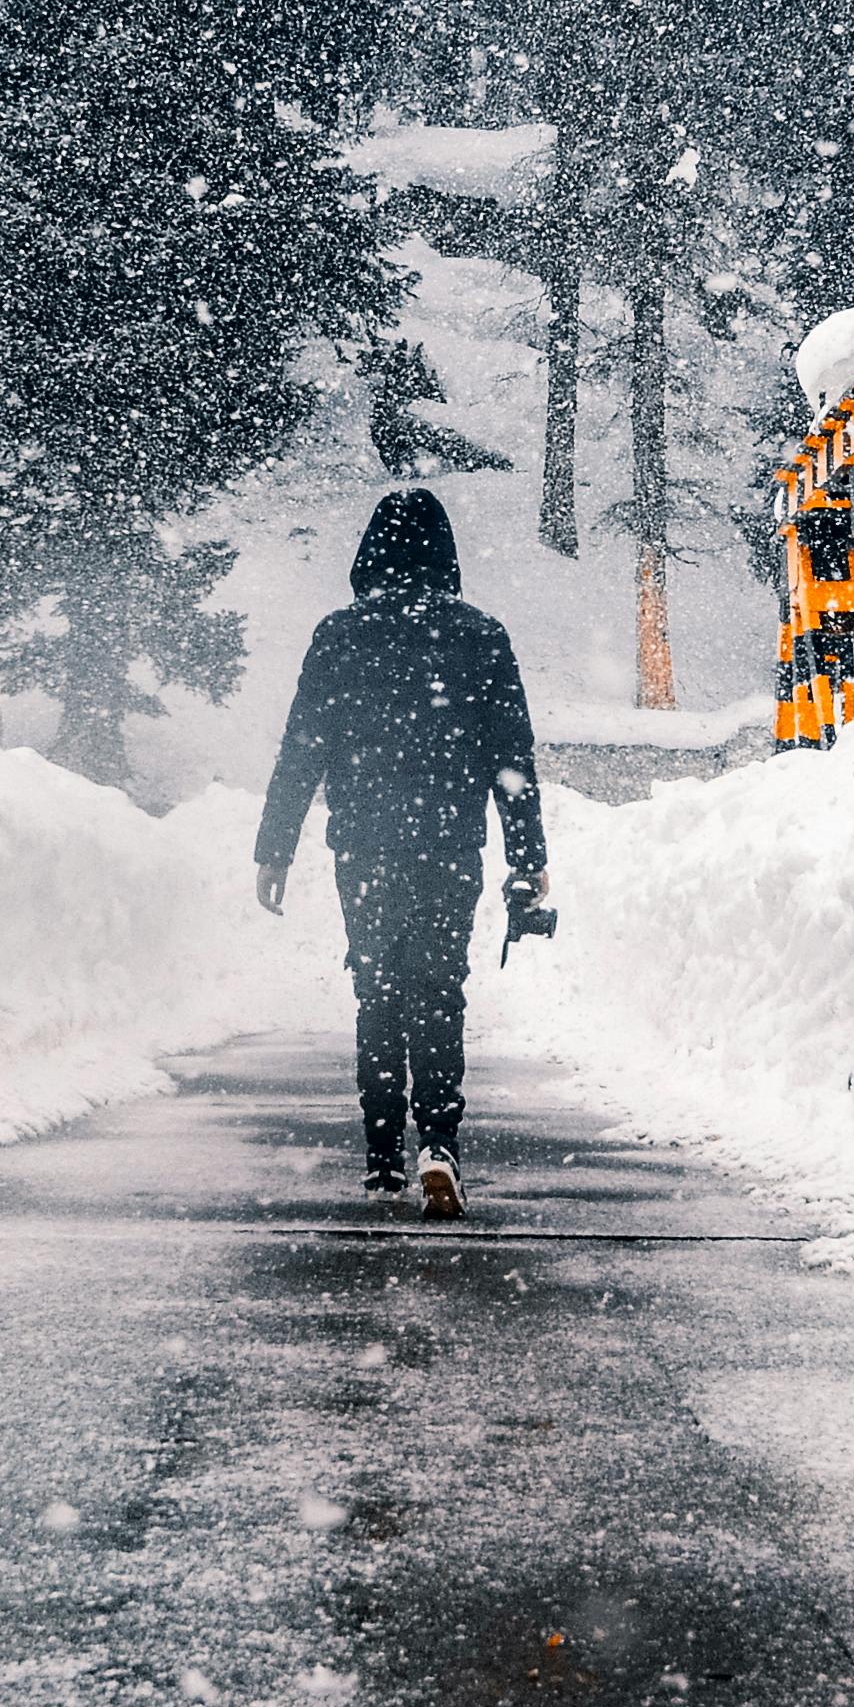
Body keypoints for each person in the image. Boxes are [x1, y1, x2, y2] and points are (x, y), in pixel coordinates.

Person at [254, 487, 549, 1219]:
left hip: (366, 845)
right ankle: (439, 1144)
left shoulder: (339, 635)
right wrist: (527, 856)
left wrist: (275, 846)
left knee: (378, 988)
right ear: (445, 554)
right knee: (440, 989)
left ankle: (382, 1152)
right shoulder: (479, 635)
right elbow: (511, 757)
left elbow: (302, 747)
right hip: (448, 844)